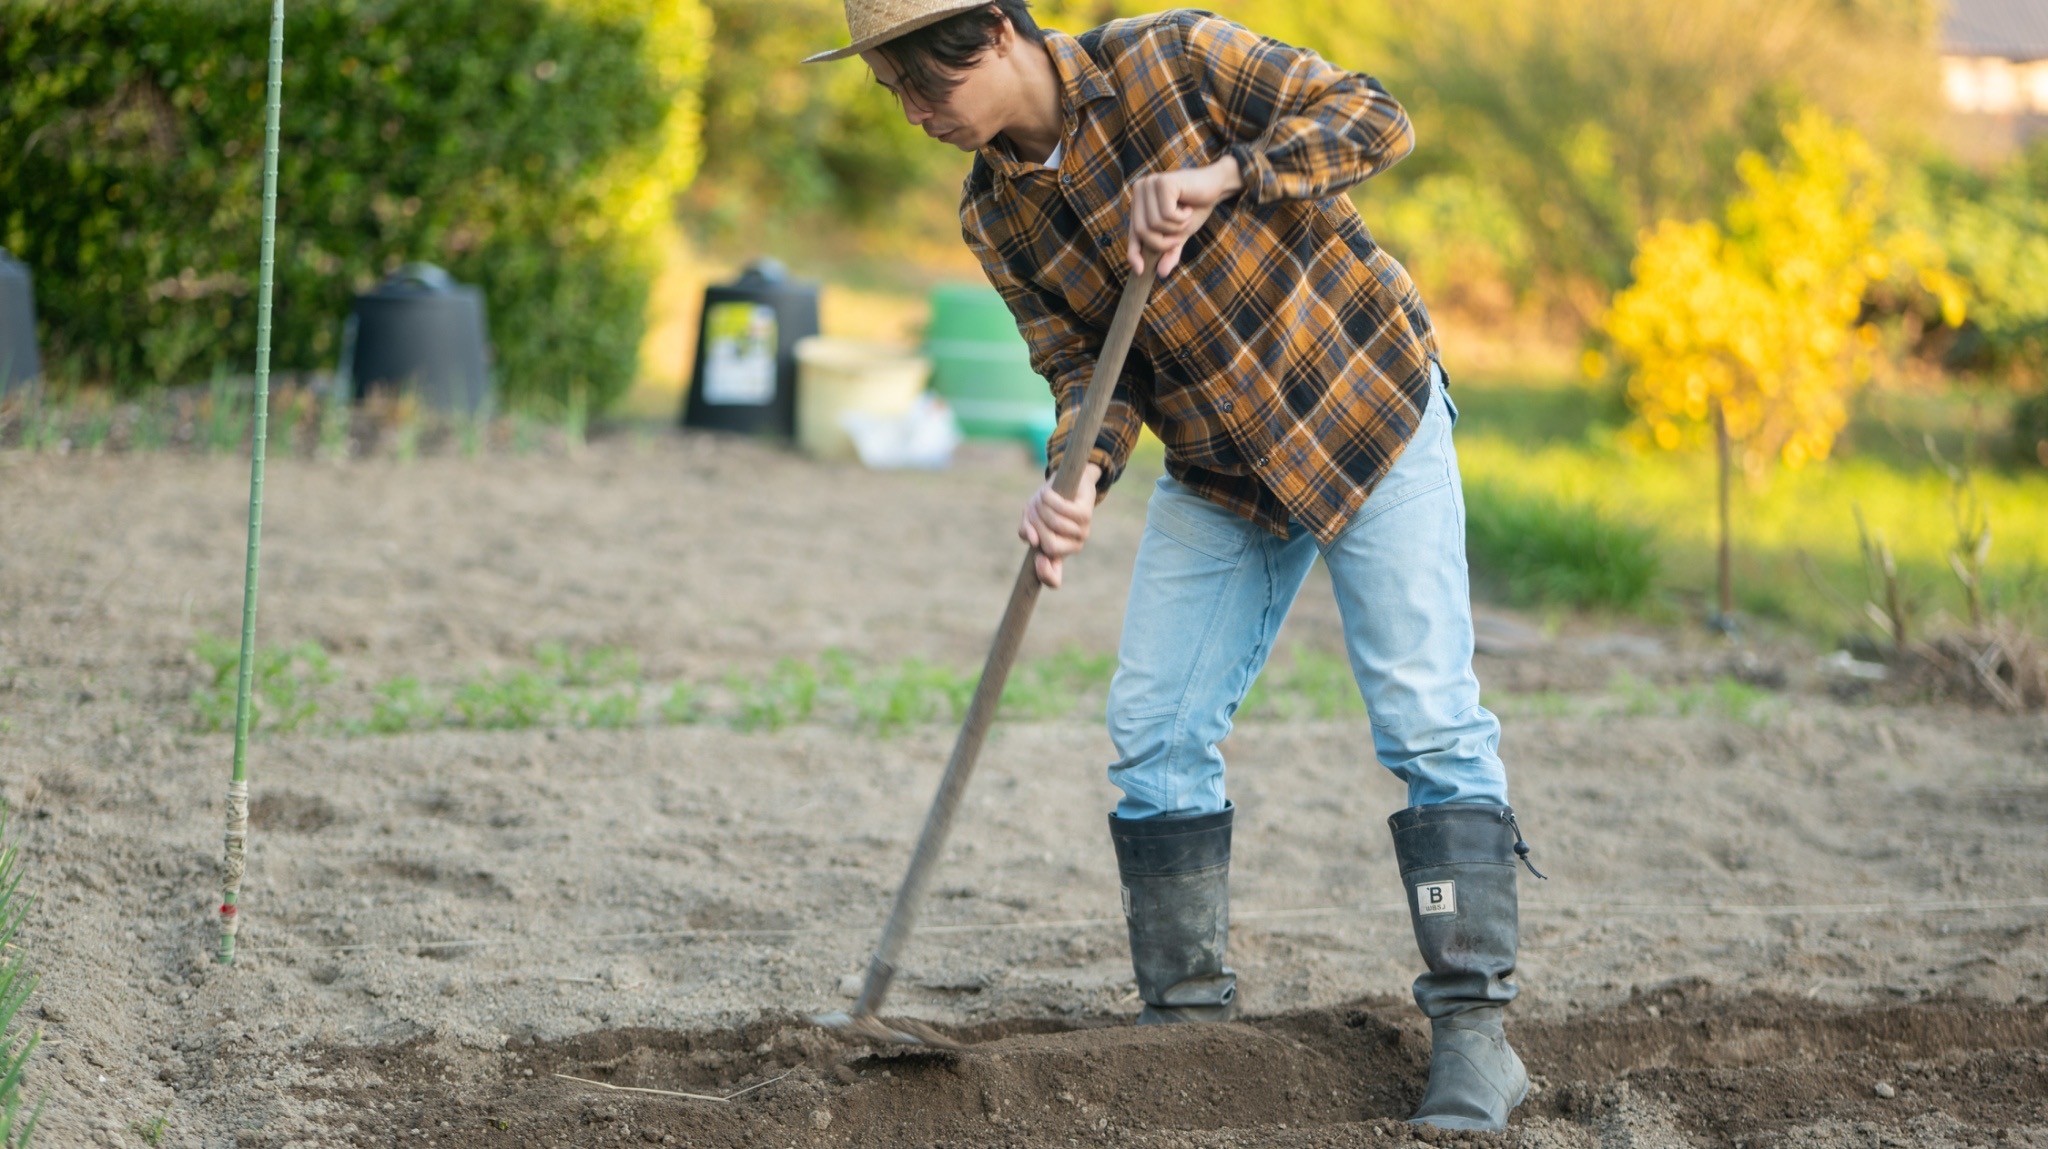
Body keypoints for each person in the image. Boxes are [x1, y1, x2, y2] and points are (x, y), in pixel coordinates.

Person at [806, 1, 1545, 1131]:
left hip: (1358, 409)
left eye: (925, 87)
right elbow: (1082, 375)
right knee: (1152, 732)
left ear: (998, 34)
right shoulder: (995, 217)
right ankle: (1187, 1030)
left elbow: (1374, 118)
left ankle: (1474, 1034)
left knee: (1424, 719)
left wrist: (1225, 175)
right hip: (1220, 468)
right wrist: (1076, 480)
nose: (913, 114)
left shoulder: (1170, 58)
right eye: (893, 95)